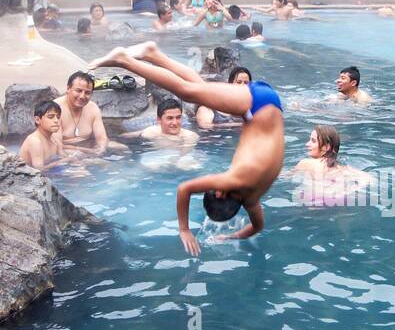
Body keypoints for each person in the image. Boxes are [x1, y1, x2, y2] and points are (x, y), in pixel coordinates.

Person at [92, 41, 284, 255]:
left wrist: (229, 236)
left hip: (267, 109)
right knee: (188, 92)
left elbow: (257, 227)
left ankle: (153, 54)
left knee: (198, 87)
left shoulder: (252, 199)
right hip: (259, 104)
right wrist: (184, 230)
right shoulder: (234, 181)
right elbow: (184, 189)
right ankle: (124, 60)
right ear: (220, 193)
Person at [291, 124, 375, 205]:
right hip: (341, 200)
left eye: (313, 141)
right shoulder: (343, 168)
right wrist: (350, 190)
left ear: (326, 147)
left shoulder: (306, 163)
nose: (307, 144)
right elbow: (369, 179)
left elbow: (286, 176)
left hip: (313, 200)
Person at [58, 70, 112, 154]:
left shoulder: (92, 108)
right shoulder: (55, 109)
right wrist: (87, 151)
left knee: (122, 148)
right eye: (78, 91)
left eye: (87, 93)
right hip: (63, 150)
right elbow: (55, 145)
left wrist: (101, 149)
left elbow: (102, 138)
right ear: (68, 88)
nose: (82, 96)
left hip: (87, 146)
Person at [123, 96, 199, 148]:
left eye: (178, 117)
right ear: (159, 120)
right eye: (170, 118)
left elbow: (184, 156)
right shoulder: (151, 131)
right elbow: (129, 136)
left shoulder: (190, 136)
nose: (175, 123)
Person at [194, 64, 252, 130]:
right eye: (239, 82)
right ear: (230, 85)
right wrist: (241, 125)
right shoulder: (207, 108)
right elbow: (205, 126)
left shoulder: (253, 107)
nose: (242, 86)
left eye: (246, 83)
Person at [19, 99, 64, 169]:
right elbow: (39, 170)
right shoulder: (35, 141)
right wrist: (62, 162)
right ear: (37, 120)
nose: (56, 121)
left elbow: (63, 156)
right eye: (50, 117)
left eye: (58, 117)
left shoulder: (54, 139)